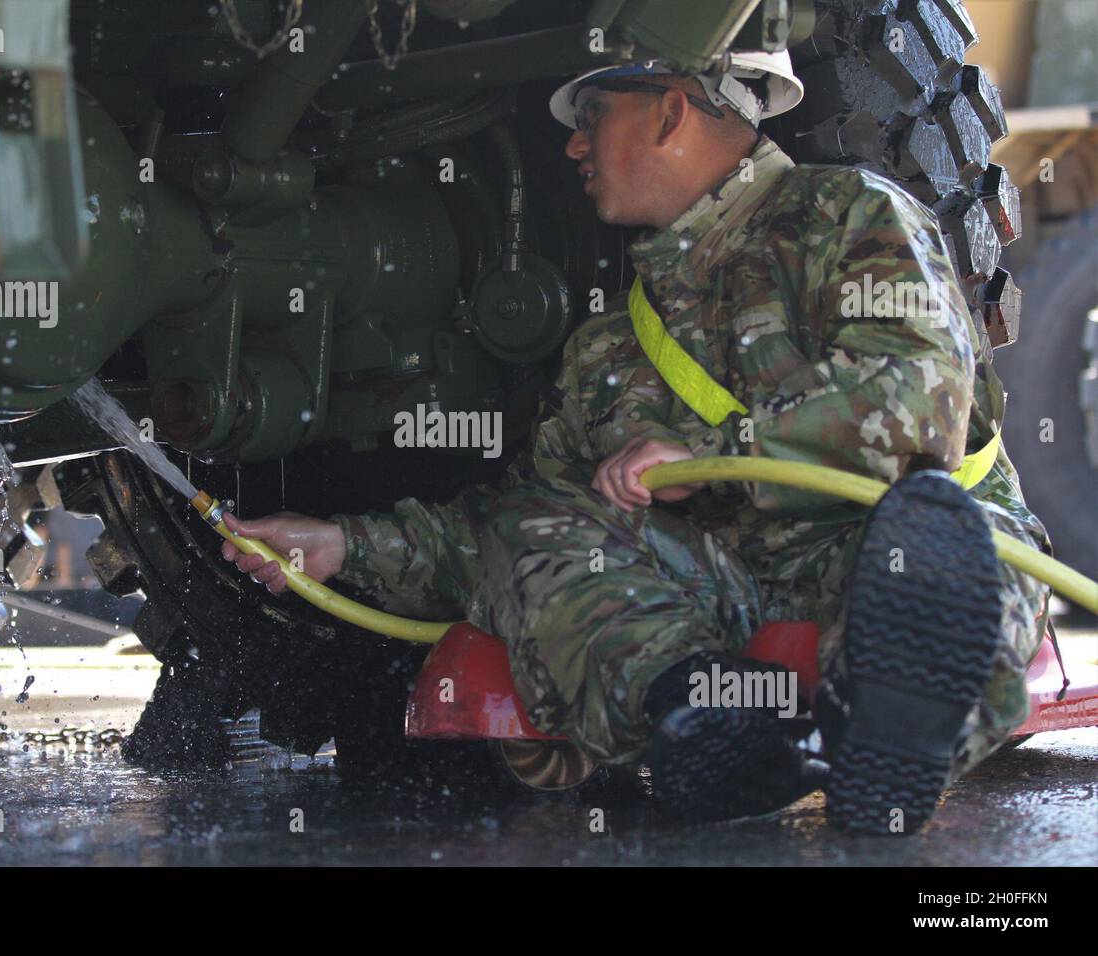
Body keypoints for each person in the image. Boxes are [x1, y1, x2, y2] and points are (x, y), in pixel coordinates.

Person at [220, 53, 1051, 833]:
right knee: (539, 530)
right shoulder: (607, 347)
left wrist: (711, 449)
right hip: (725, 591)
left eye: (591, 113)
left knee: (939, 567)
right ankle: (716, 726)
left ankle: (888, 722)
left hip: (884, 549)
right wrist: (342, 546)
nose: (573, 144)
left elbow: (916, 414)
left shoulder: (850, 215)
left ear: (669, 111)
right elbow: (520, 529)